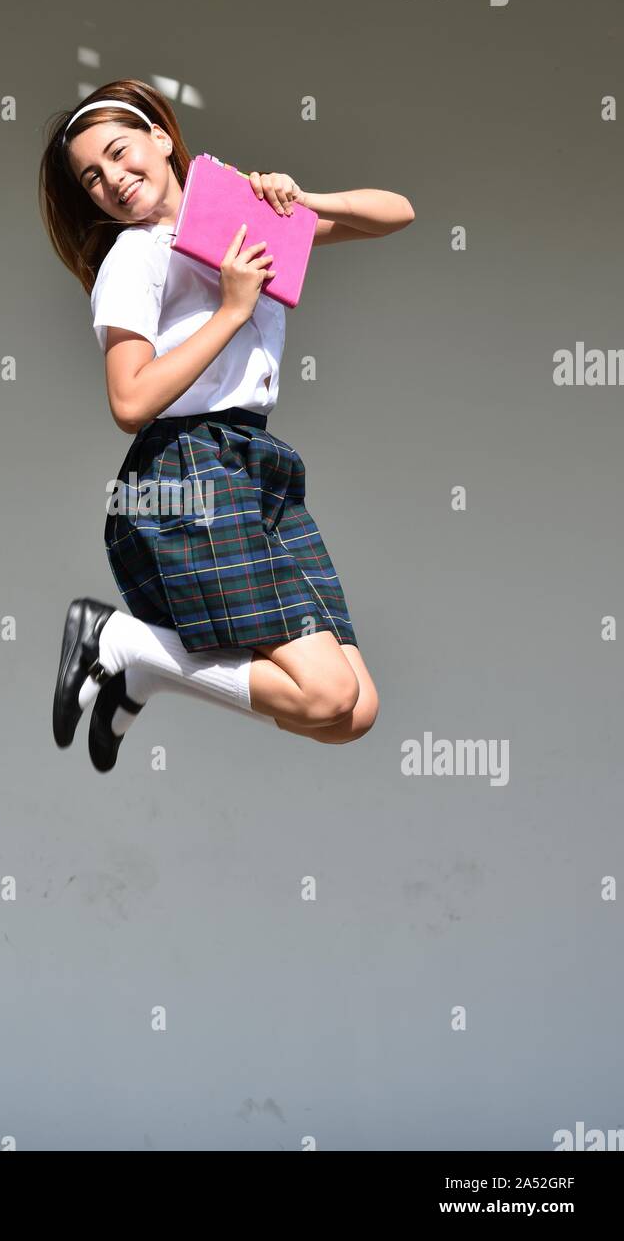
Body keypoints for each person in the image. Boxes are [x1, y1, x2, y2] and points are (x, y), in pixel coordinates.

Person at [38, 79, 414, 772]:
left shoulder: (239, 224)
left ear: (162, 138)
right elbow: (129, 402)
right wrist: (231, 310)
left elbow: (398, 213)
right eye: (92, 177)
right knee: (325, 693)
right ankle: (117, 641)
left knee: (352, 711)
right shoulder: (135, 258)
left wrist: (301, 203)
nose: (113, 181)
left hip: (253, 465)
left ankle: (142, 664)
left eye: (121, 154)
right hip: (185, 467)